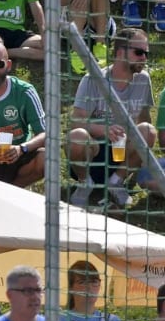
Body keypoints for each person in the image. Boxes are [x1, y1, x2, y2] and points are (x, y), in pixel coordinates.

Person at [65, 27, 154, 207]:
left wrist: (136, 145)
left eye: (146, 53)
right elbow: (76, 121)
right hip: (93, 155)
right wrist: (104, 130)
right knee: (76, 137)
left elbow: (144, 119)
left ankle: (116, 183)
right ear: (120, 52)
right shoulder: (93, 80)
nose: (144, 58)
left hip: (121, 156)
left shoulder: (143, 80)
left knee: (148, 131)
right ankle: (85, 183)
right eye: (139, 52)